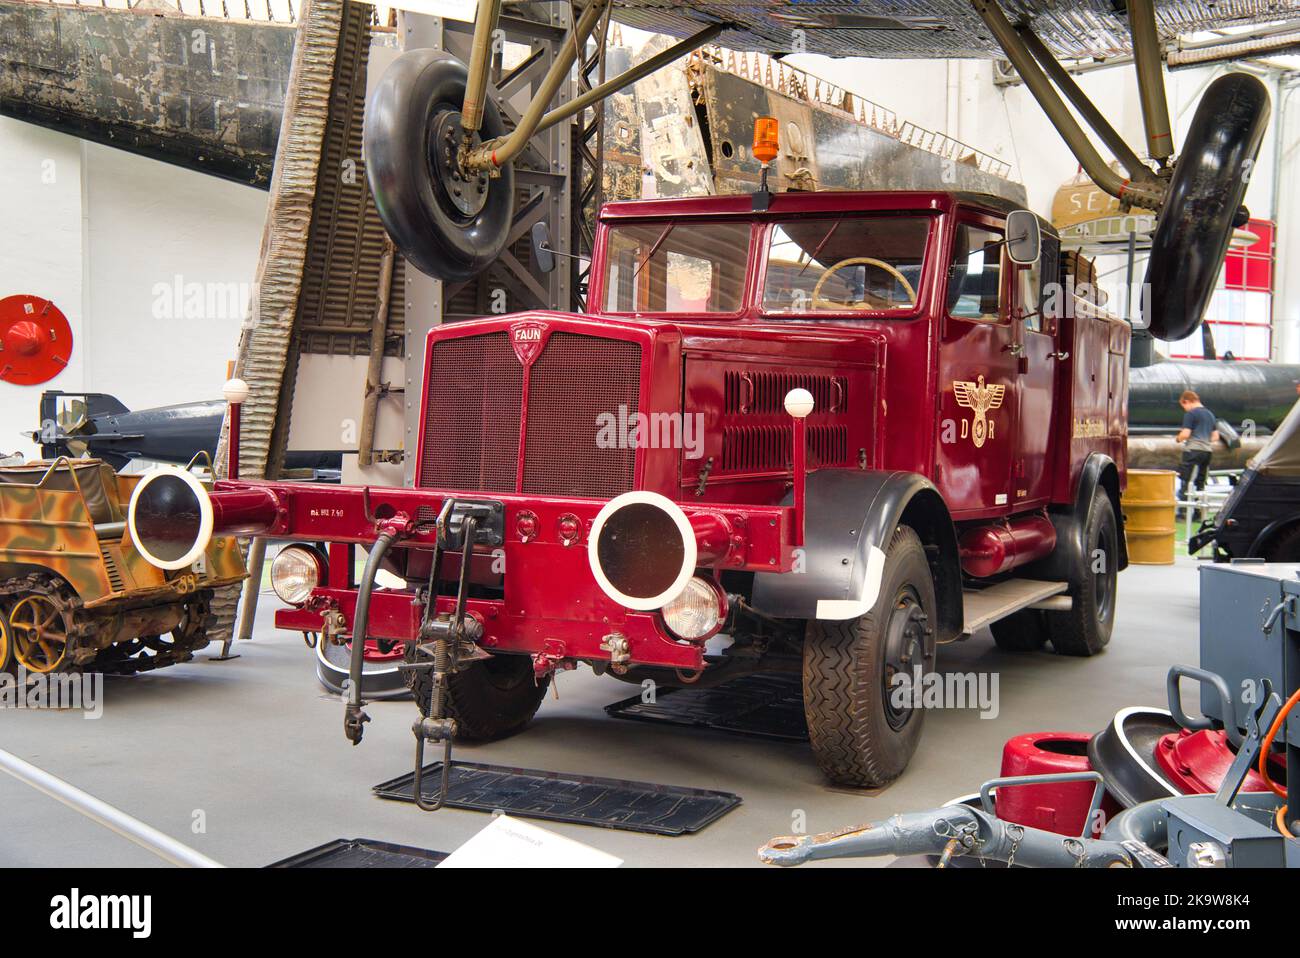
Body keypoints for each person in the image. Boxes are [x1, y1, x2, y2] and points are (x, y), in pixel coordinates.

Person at [1176, 390, 1219, 519]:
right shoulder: (1210, 414)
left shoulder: (1191, 414)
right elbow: (1215, 437)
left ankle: (1183, 513)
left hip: (1193, 450)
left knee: (1186, 481)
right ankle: (1198, 513)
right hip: (1207, 451)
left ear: (1187, 401)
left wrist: (1178, 438)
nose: (1184, 409)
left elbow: (1185, 434)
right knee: (1201, 482)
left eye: (1183, 406)